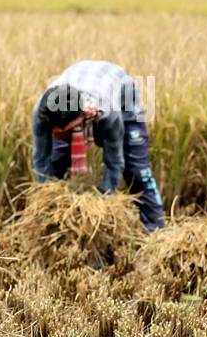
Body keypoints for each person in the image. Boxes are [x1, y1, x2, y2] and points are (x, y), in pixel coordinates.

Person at [31, 61, 164, 231]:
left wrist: (103, 207)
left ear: (76, 123)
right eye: (53, 131)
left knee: (137, 170)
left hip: (123, 95)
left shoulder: (108, 114)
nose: (55, 134)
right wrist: (47, 201)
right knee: (56, 164)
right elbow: (41, 160)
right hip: (81, 81)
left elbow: (114, 162)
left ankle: (156, 229)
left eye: (60, 132)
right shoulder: (42, 113)